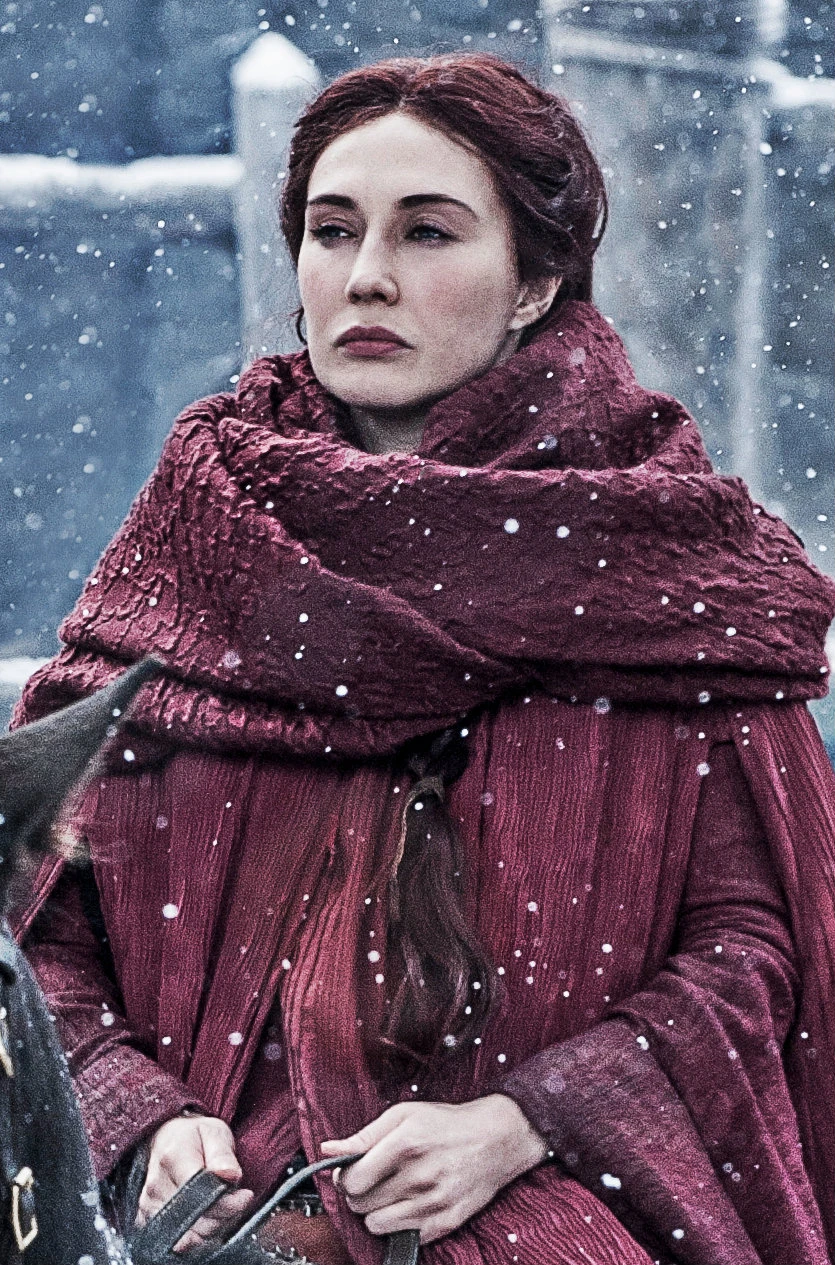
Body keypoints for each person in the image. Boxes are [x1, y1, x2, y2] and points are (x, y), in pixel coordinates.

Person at [11, 53, 835, 1265]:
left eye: (428, 232)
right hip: (194, 1228)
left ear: (535, 281)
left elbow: (752, 954)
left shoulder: (664, 567)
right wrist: (139, 1114)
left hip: (549, 1225)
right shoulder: (196, 549)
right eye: (332, 230)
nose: (367, 276)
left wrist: (525, 1122)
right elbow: (35, 910)